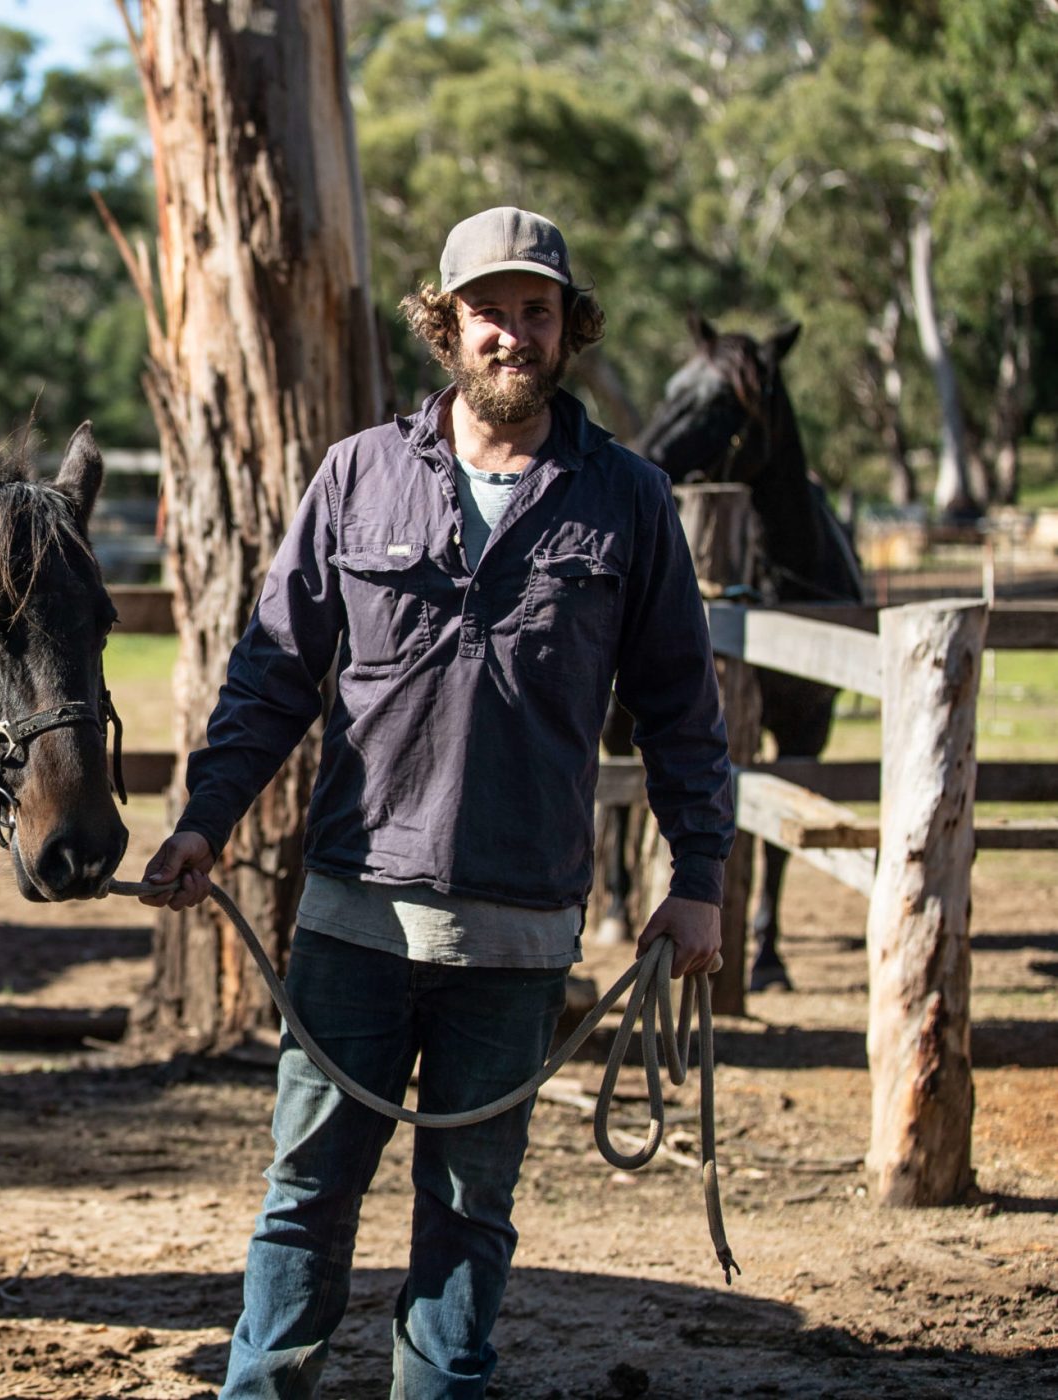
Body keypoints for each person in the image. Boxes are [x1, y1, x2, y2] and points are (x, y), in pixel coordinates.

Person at [138, 207, 735, 1399]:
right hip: (353, 917)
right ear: (444, 324)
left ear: (566, 330)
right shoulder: (355, 475)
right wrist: (207, 815)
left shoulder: (626, 498)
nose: (510, 334)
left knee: (469, 1213)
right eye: (487, 312)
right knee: (305, 1193)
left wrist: (699, 882)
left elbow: (680, 709)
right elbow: (270, 672)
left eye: (534, 311)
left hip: (517, 932)